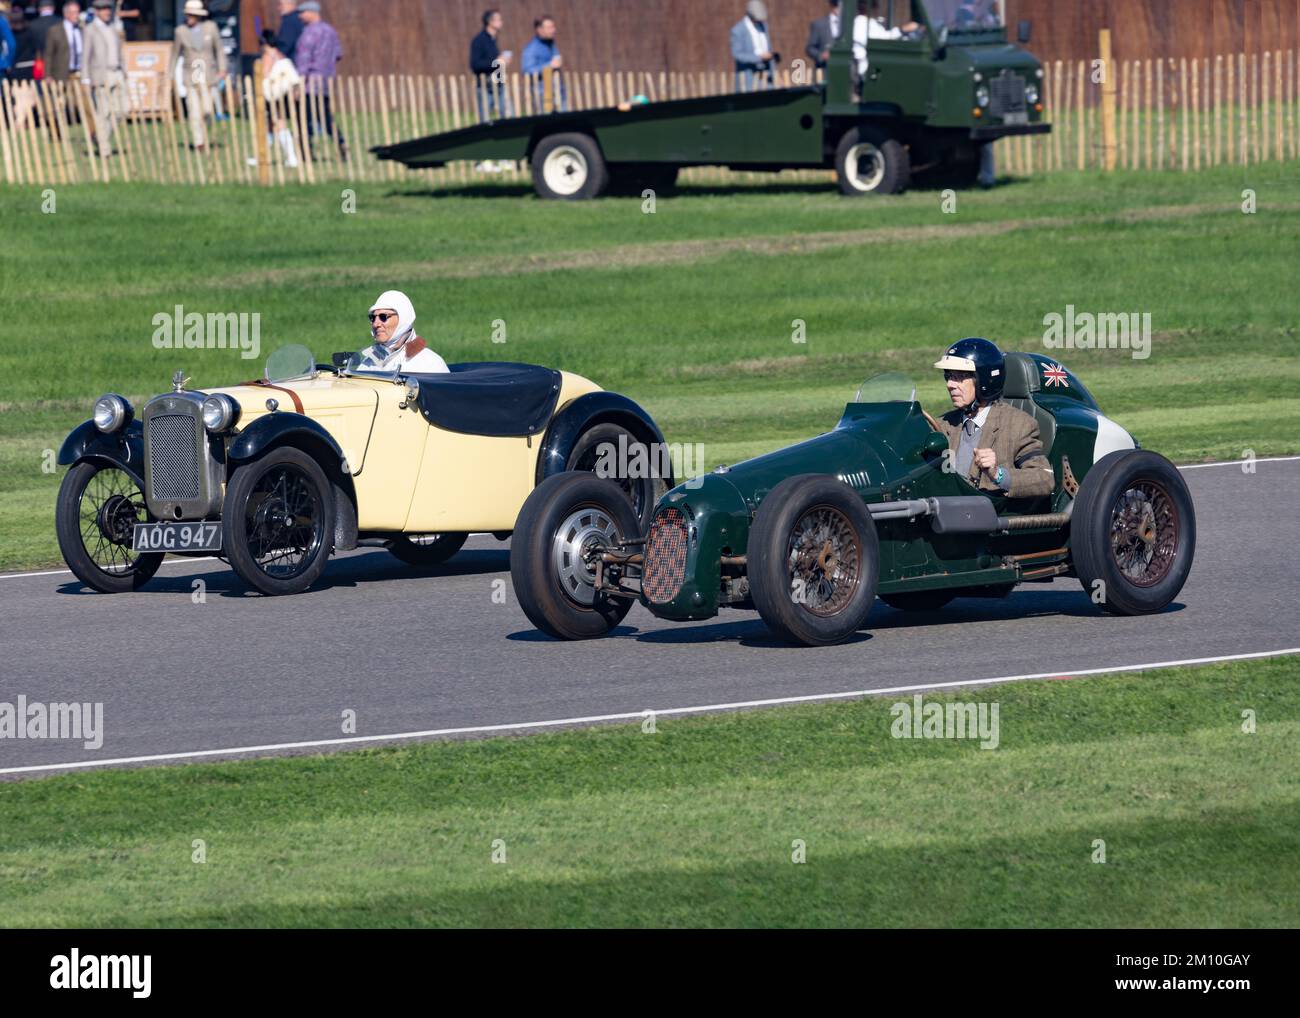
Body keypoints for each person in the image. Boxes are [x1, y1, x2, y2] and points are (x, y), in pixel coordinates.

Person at [932, 337, 1054, 498]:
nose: (950, 384)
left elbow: (1044, 478)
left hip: (989, 516)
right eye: (949, 376)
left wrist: (997, 474)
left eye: (959, 377)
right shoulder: (940, 425)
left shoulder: (1019, 425)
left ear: (983, 380)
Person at [170, 0, 223, 151]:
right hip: (191, 74)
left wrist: (222, 68)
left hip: (208, 75)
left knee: (207, 110)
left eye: (193, 15)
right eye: (188, 15)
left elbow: (218, 49)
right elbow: (175, 54)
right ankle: (199, 142)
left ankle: (206, 135)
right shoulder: (180, 31)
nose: (190, 17)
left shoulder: (210, 28)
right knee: (194, 111)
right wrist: (170, 76)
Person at [356, 291, 449, 374]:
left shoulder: (431, 364)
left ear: (403, 319)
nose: (376, 324)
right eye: (372, 317)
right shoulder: (370, 361)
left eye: (383, 317)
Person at [247, 29, 300, 169]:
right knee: (271, 127)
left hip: (272, 96)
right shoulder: (280, 55)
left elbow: (264, 73)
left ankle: (291, 158)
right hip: (283, 95)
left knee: (279, 124)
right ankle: (260, 157)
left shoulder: (268, 55)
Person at [81, 0, 125, 156]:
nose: (107, 12)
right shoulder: (90, 29)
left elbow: (120, 51)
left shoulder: (113, 27)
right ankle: (104, 148)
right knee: (104, 112)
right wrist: (85, 79)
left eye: (109, 9)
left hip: (117, 72)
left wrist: (124, 72)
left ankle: (100, 137)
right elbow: (85, 56)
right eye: (104, 9)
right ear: (97, 11)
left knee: (120, 111)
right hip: (101, 74)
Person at [852, 0, 920, 82]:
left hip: (875, 65)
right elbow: (882, 41)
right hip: (869, 71)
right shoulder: (860, 22)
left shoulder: (870, 22)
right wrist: (902, 30)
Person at [469, 8, 511, 120]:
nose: (501, 22)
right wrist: (497, 61)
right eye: (499, 20)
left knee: (508, 116)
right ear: (490, 22)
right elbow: (475, 65)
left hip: (498, 83)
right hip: (485, 86)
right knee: (485, 120)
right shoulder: (479, 40)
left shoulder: (493, 40)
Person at [521, 13, 565, 111]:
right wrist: (549, 66)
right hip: (543, 96)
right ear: (539, 30)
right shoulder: (531, 49)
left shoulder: (551, 44)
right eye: (549, 27)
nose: (554, 30)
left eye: (553, 27)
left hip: (558, 92)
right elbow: (527, 70)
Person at [730, 0, 776, 92]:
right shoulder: (738, 30)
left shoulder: (764, 26)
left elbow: (768, 47)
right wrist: (759, 57)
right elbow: (737, 54)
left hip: (766, 76)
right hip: (749, 78)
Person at [41, 0, 82, 82]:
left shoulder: (81, 29)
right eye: (73, 13)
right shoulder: (55, 30)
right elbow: (48, 54)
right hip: (61, 75)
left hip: (79, 73)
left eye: (78, 12)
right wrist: (47, 74)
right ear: (66, 14)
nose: (77, 15)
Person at [804, 0, 841, 73]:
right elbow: (809, 48)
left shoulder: (849, 25)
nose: (838, 8)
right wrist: (821, 55)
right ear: (831, 5)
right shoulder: (819, 25)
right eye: (836, 5)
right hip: (825, 70)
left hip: (845, 71)